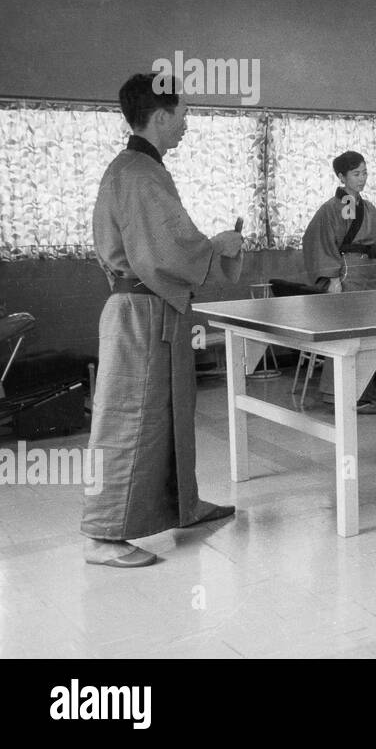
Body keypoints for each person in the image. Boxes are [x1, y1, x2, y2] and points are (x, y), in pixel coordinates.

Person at [82, 73, 245, 569]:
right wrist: (219, 246)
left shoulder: (134, 169)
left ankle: (183, 505)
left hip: (149, 308)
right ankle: (106, 536)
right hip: (140, 312)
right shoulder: (139, 173)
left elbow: (159, 246)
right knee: (130, 422)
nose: (186, 128)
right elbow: (166, 250)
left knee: (167, 416)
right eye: (183, 117)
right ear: (160, 116)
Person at [301, 151, 376, 415]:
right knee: (348, 336)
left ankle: (356, 390)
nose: (362, 178)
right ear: (341, 177)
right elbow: (318, 241)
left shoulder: (368, 207)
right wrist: (332, 278)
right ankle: (339, 394)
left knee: (366, 335)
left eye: (365, 172)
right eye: (356, 174)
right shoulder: (331, 209)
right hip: (346, 272)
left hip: (367, 272)